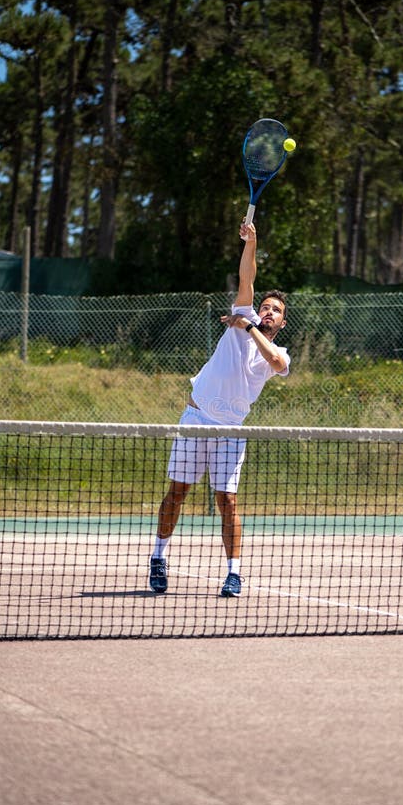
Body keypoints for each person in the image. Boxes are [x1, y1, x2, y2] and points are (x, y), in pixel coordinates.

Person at [149, 219, 290, 597]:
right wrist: (251, 242)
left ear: (282, 320)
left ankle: (233, 573)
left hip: (231, 431)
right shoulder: (240, 317)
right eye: (264, 306)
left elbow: (275, 363)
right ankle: (159, 558)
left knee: (226, 500)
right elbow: (248, 276)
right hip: (196, 420)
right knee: (177, 491)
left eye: (275, 309)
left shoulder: (275, 350)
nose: (268, 310)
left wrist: (249, 327)